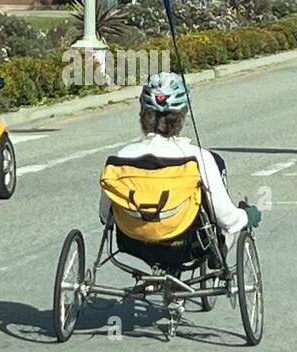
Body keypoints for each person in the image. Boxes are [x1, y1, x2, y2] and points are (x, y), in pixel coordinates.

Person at [100, 72, 259, 256]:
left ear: (143, 112)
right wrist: (248, 216)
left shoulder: (121, 158)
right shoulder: (199, 158)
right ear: (183, 114)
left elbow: (106, 216)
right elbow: (226, 219)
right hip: (184, 243)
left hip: (133, 240)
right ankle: (217, 255)